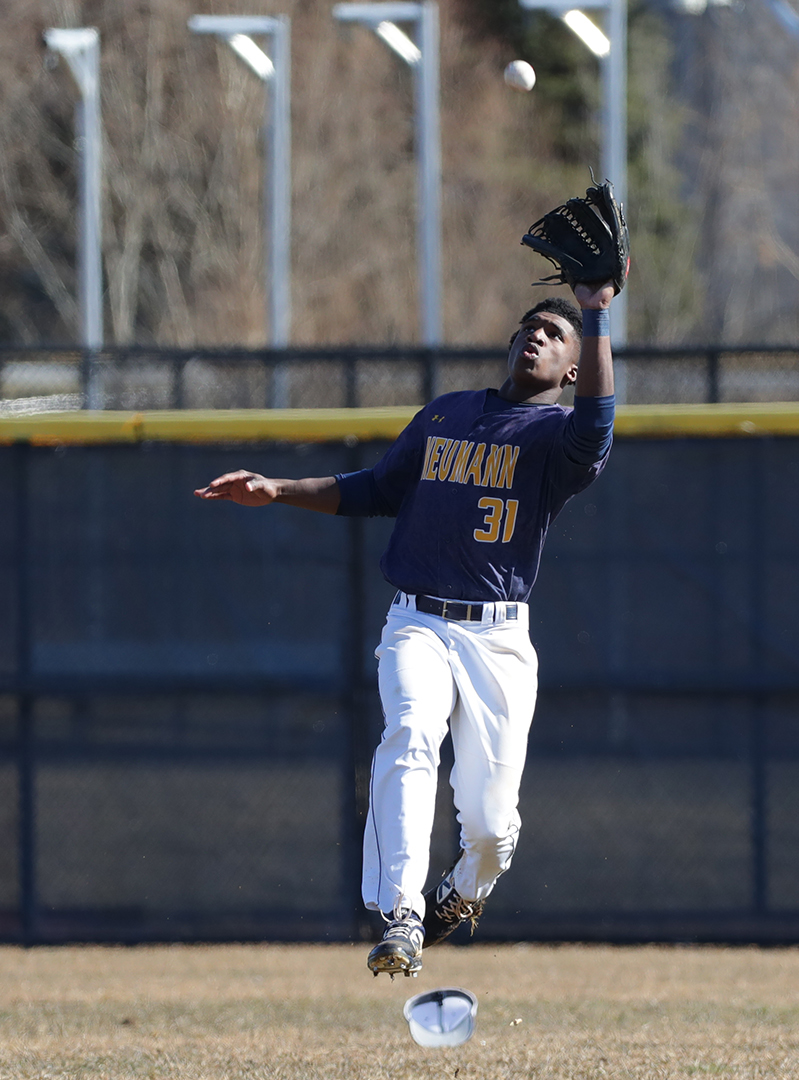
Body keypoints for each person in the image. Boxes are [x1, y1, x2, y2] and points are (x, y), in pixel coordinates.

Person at [194, 278, 617, 976]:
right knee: (410, 734)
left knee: (487, 826)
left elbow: (597, 422)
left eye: (555, 334)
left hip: (497, 640)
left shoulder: (556, 441)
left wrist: (596, 315)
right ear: (510, 345)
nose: (537, 336)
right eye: (530, 327)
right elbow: (376, 490)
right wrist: (277, 490)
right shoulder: (446, 415)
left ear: (572, 368)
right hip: (418, 621)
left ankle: (465, 888)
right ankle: (401, 915)